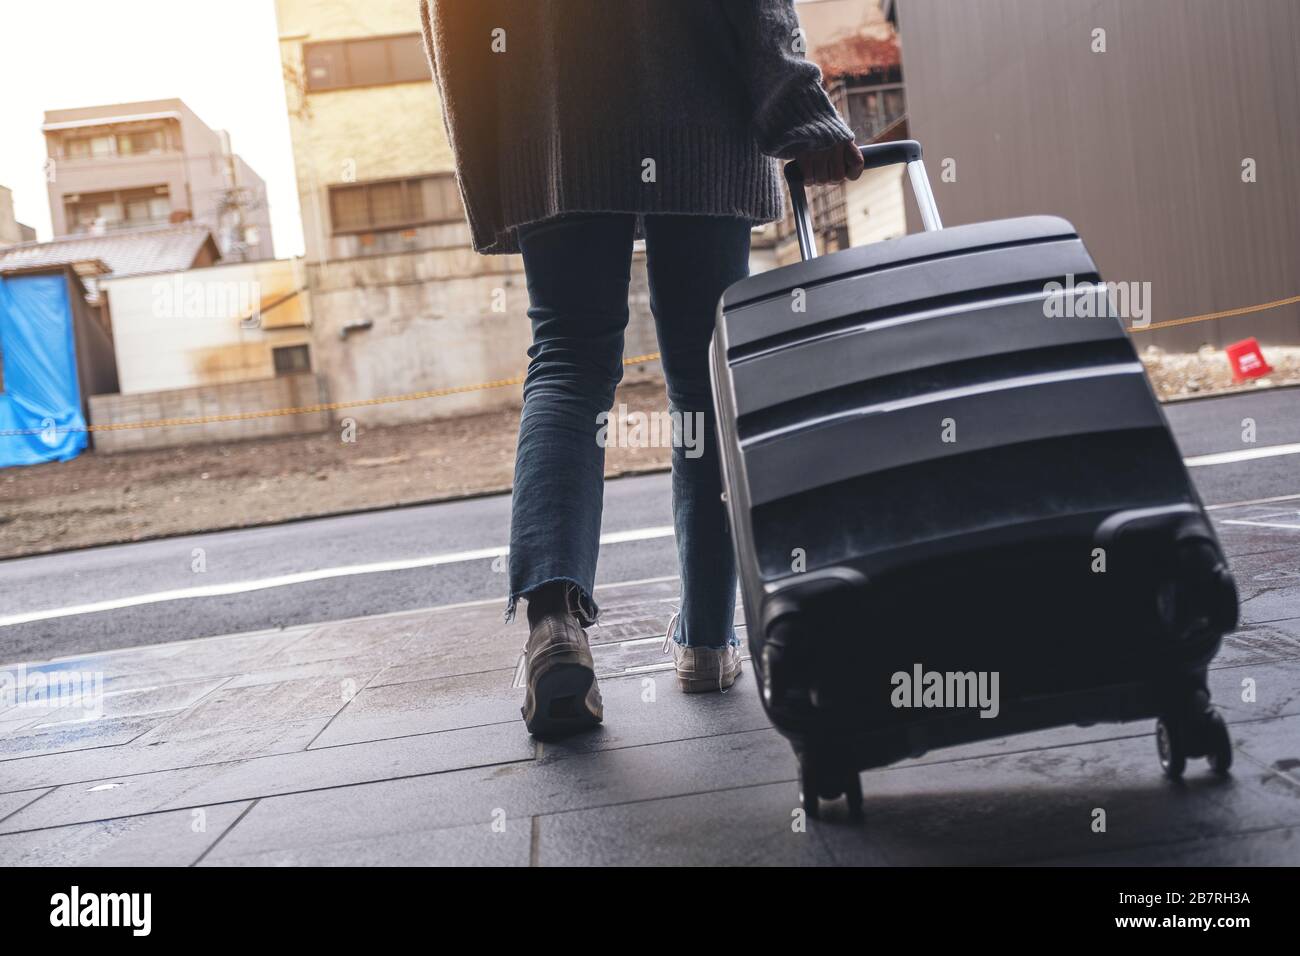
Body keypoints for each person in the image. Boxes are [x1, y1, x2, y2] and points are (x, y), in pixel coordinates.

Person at [422, 0, 863, 736]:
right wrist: (798, 108)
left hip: (552, 112)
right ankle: (707, 640)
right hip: (698, 106)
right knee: (700, 375)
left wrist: (492, 155)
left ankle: (555, 627)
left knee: (567, 357)